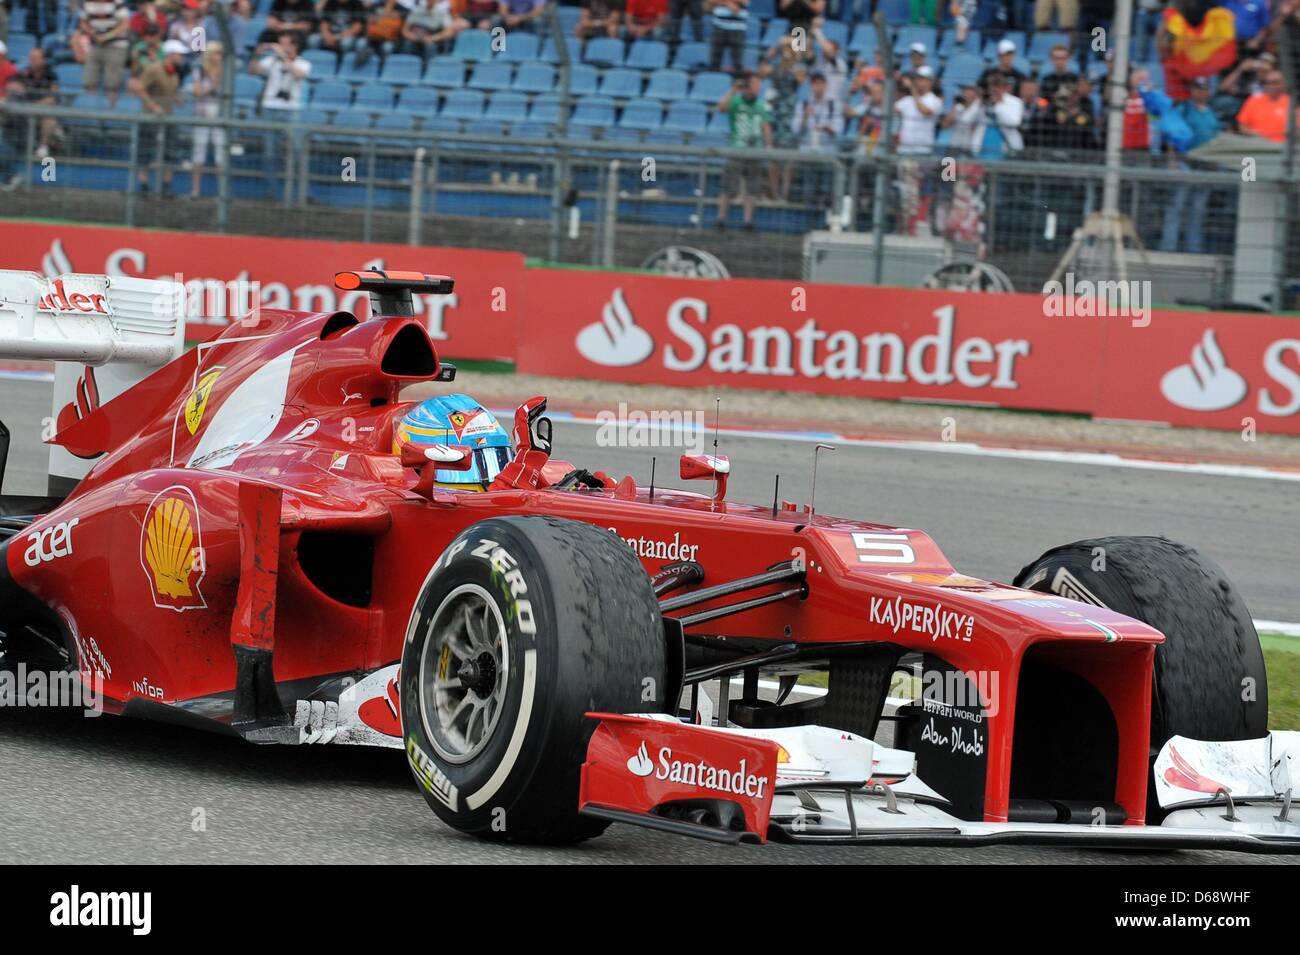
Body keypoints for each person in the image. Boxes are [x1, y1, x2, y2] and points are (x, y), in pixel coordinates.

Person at [1160, 76, 1221, 252]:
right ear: (1192, 91)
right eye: (1197, 88)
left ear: (1208, 92)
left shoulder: (1212, 113)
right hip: (1184, 161)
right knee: (1176, 207)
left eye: (1203, 88)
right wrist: (1172, 161)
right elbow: (1171, 134)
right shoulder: (1184, 109)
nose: (1200, 91)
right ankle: (1168, 248)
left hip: (1206, 165)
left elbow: (1216, 138)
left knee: (1198, 211)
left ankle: (1194, 250)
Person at [715, 71, 772, 230]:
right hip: (737, 148)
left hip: (755, 150)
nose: (757, 88)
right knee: (728, 187)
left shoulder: (760, 105)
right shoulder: (736, 101)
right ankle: (721, 218)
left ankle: (748, 221)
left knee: (752, 189)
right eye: (754, 84)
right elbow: (721, 107)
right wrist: (733, 89)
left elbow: (765, 125)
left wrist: (768, 146)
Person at [132, 39, 188, 196]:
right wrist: (153, 106)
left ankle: (166, 186)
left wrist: (177, 98)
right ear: (171, 55)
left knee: (171, 151)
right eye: (179, 54)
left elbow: (172, 90)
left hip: (168, 115)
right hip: (151, 115)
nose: (182, 57)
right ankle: (143, 186)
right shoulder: (154, 69)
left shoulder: (174, 71)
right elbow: (140, 88)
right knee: (144, 151)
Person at [894, 65, 941, 235]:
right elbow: (888, 108)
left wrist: (912, 90)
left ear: (930, 82)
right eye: (916, 79)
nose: (918, 83)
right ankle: (907, 228)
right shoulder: (907, 101)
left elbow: (925, 111)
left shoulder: (934, 100)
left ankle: (921, 226)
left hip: (923, 155)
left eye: (921, 79)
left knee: (923, 193)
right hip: (905, 154)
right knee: (906, 195)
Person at [5, 47, 61, 162]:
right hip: (22, 110)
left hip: (40, 110)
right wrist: (14, 87)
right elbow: (10, 85)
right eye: (31, 58)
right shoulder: (25, 73)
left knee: (50, 120)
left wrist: (35, 106)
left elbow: (52, 97)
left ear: (43, 60)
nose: (32, 60)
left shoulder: (51, 75)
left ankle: (43, 147)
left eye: (36, 58)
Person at [188, 40, 226, 199]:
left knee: (221, 154)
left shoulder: (226, 70)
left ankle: (222, 192)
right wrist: (211, 83)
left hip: (220, 114)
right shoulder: (200, 70)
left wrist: (214, 81)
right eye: (216, 53)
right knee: (199, 153)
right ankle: (195, 190)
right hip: (202, 114)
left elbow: (225, 93)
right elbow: (198, 93)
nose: (219, 56)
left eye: (220, 53)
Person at [81, 0, 132, 106]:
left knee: (112, 85)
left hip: (116, 46)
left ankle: (111, 113)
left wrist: (107, 36)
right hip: (96, 45)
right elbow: (83, 22)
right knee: (89, 82)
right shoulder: (87, 2)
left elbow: (125, 24)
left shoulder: (118, 3)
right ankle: (90, 113)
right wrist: (94, 34)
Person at [251, 31, 312, 112]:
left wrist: (282, 56)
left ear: (294, 46)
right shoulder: (271, 60)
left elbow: (298, 75)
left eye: (283, 44)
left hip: (291, 107)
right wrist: (256, 55)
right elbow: (253, 71)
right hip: (269, 104)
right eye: (279, 43)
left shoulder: (304, 63)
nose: (279, 46)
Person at [1236, 68, 1290, 142]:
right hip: (1258, 145)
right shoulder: (1253, 100)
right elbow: (1242, 126)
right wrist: (1255, 134)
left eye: (1275, 82)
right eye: (1267, 83)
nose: (1271, 86)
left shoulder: (1292, 102)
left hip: (1283, 146)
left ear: (1283, 84)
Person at [942, 82, 985, 154]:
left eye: (970, 91)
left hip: (968, 148)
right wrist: (954, 106)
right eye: (965, 91)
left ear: (976, 94)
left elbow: (972, 124)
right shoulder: (958, 107)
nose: (966, 94)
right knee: (947, 165)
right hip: (953, 145)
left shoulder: (979, 109)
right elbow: (945, 125)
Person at [708, 0, 749, 73]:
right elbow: (710, 1)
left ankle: (737, 81)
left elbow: (744, 2)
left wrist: (723, 2)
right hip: (719, 27)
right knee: (714, 60)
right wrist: (728, 3)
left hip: (737, 29)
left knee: (737, 61)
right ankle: (714, 81)